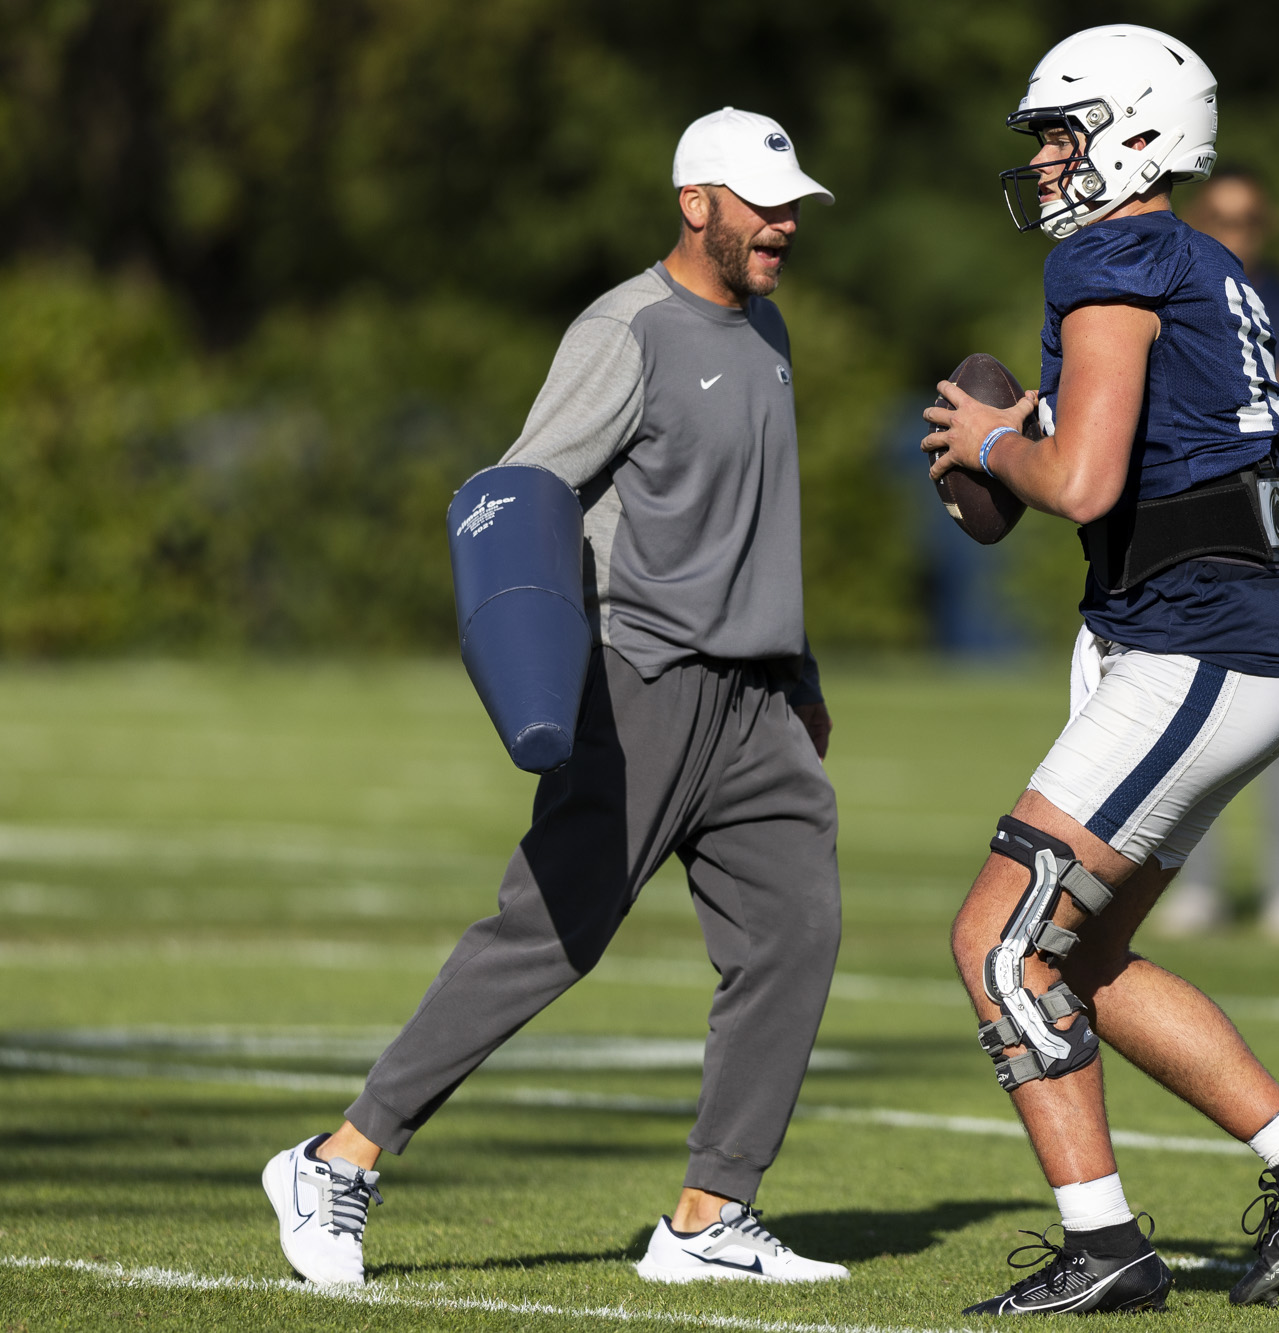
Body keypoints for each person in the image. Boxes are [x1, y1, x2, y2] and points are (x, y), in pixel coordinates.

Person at [260, 108, 850, 1288]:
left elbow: (755, 527)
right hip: (638, 682)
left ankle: (706, 1216)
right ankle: (338, 1157)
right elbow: (521, 493)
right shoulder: (622, 330)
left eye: (791, 206)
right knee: (547, 936)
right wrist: (545, 669)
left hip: (755, 704)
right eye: (760, 204)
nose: (781, 224)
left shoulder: (767, 331)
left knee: (795, 934)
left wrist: (799, 674)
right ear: (696, 205)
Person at [922, 26, 1279, 1316]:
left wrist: (990, 442)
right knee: (1074, 957)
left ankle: (1103, 1245)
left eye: (1059, 129)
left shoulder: (1113, 251)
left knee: (997, 943)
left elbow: (1083, 481)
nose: (1042, 157)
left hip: (1195, 640)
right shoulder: (1202, 262)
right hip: (1235, 637)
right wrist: (1029, 426)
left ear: (1134, 127)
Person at [1163, 165, 1279, 941]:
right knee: (1183, 712)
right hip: (1192, 526)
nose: (1233, 233)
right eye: (1219, 218)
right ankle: (1194, 883)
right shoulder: (1173, 300)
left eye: (1247, 220)